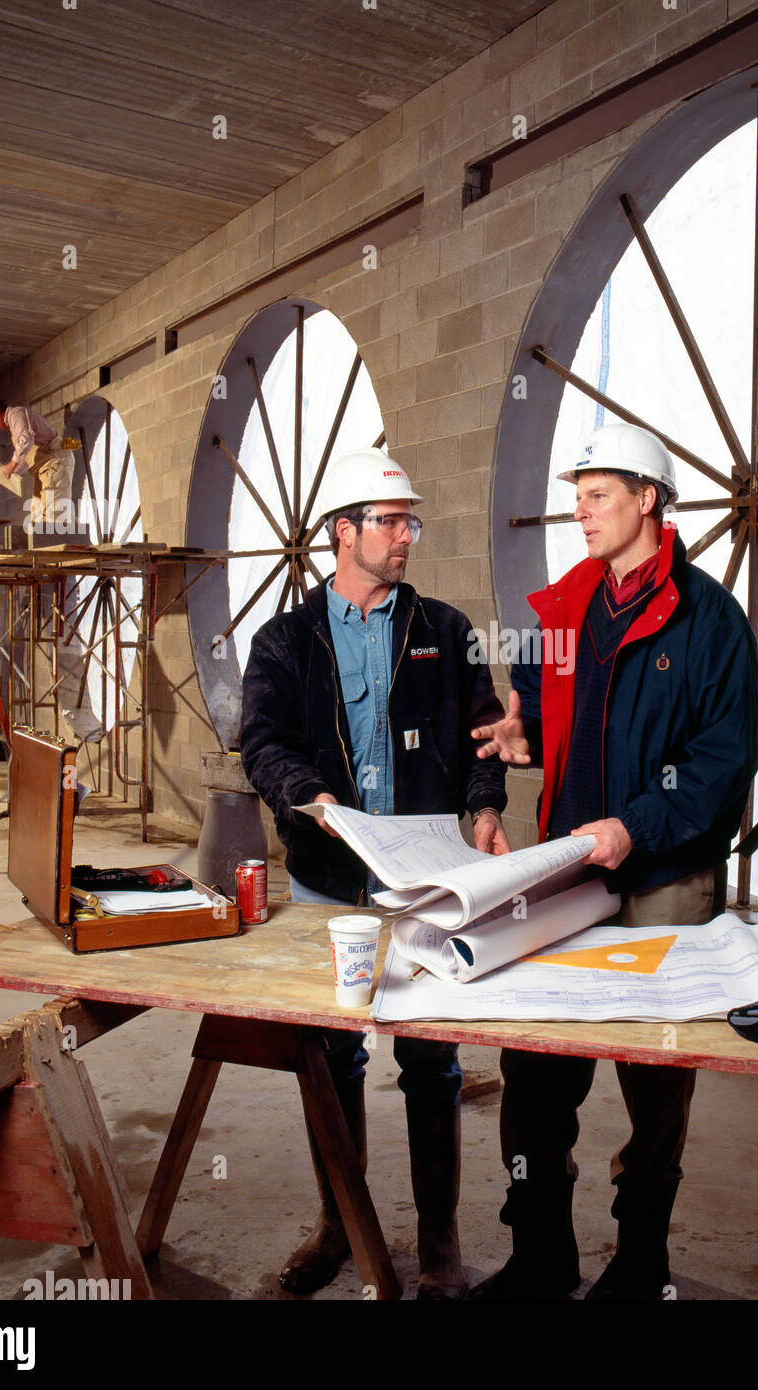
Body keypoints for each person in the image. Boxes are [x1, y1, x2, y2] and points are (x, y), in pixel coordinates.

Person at [470, 421, 758, 1300]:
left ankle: (640, 1262)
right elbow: (531, 693)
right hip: (567, 870)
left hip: (663, 873)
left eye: (597, 494)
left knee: (654, 1073)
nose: (580, 509)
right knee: (533, 1065)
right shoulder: (562, 609)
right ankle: (539, 1255)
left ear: (649, 499)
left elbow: (724, 765)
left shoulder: (711, 621)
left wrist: (635, 826)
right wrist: (521, 723)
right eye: (577, 494)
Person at [239, 447, 509, 1300]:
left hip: (427, 881)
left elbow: (483, 733)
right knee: (332, 1057)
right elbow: (263, 743)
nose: (406, 537)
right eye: (390, 522)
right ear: (342, 533)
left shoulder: (443, 630)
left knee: (434, 1061)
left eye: (410, 522)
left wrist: (488, 806)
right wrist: (307, 796)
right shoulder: (285, 641)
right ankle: (339, 1226)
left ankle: (438, 1250)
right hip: (330, 881)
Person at [0, 396, 75, 530]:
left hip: (55, 462)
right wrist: (13, 473)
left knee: (53, 515)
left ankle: (62, 545)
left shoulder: (15, 415)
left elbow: (26, 441)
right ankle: (43, 548)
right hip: (45, 468)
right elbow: (27, 457)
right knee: (37, 514)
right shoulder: (14, 427)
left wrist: (11, 464)